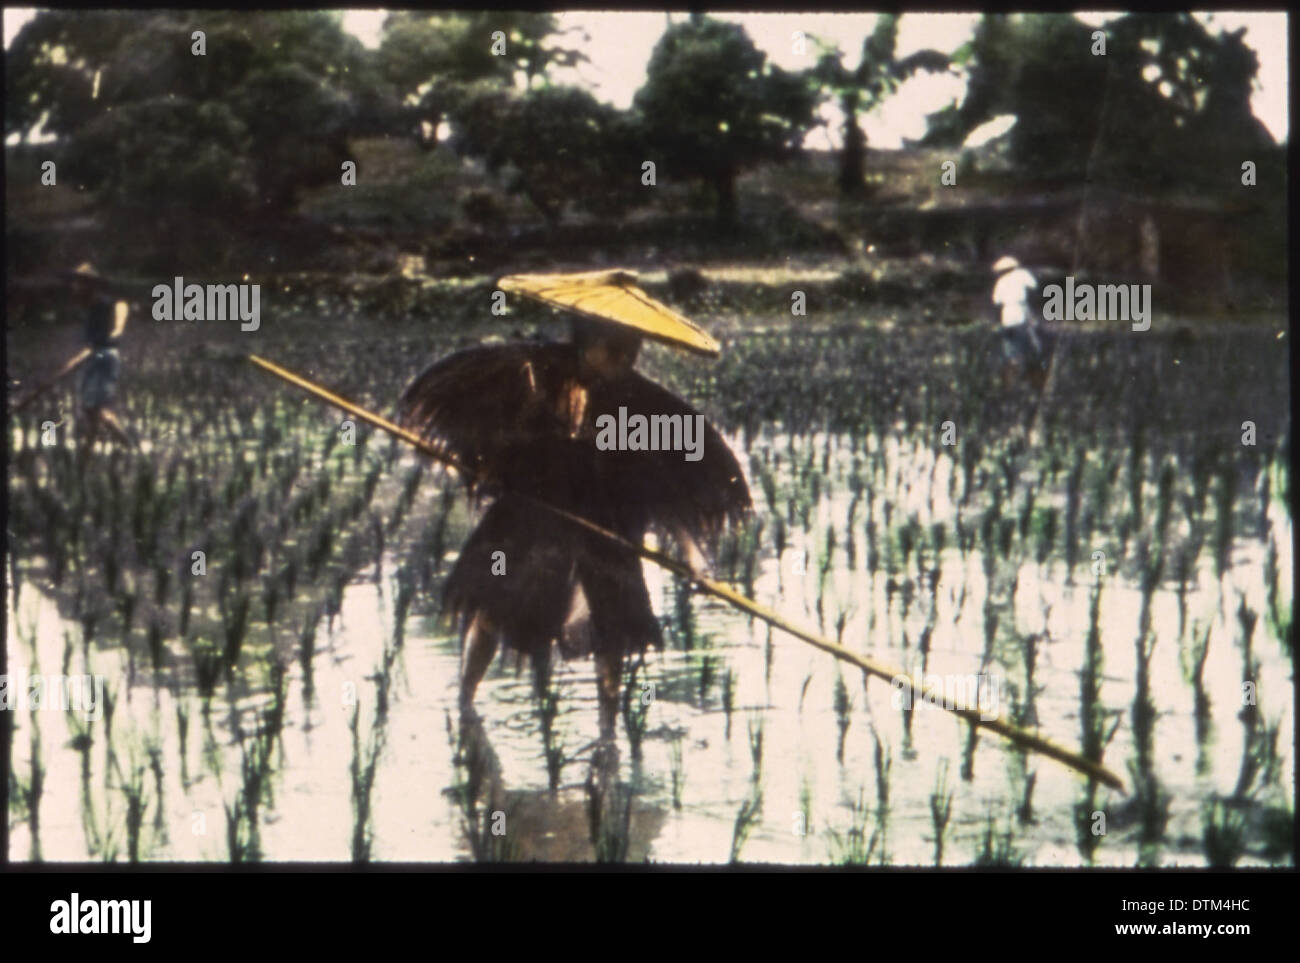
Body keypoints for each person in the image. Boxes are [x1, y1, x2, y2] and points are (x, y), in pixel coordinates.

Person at [397, 269, 751, 741]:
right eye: (614, 351)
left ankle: (608, 725)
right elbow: (482, 427)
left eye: (633, 351)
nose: (624, 361)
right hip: (531, 512)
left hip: (609, 521)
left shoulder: (645, 406)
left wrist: (694, 561)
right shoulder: (529, 375)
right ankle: (465, 700)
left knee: (613, 624)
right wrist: (476, 458)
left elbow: (670, 485)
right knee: (491, 606)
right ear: (586, 343)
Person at [68, 263, 134, 453]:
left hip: (104, 358)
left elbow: (121, 304)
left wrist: (119, 328)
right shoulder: (90, 307)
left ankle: (129, 448)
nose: (75, 287)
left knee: (99, 410)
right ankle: (86, 454)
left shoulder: (100, 302)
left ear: (89, 285)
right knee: (90, 410)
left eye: (79, 283)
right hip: (95, 357)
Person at [991, 255, 1047, 390]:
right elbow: (1034, 285)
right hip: (1020, 312)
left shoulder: (1001, 281)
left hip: (1007, 315)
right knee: (1031, 343)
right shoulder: (1022, 274)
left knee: (1011, 346)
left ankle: (1013, 376)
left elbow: (996, 300)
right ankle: (1035, 374)